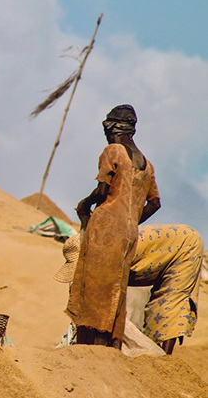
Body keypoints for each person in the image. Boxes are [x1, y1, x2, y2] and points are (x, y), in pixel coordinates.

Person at [66, 105, 160, 350]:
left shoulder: (114, 150)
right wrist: (130, 218)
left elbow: (102, 190)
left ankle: (91, 348)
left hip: (105, 229)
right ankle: (110, 346)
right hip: (129, 234)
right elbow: (155, 203)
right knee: (116, 287)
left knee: (95, 286)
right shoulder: (146, 164)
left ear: (112, 126)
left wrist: (84, 204)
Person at [57, 224, 201, 355]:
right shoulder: (101, 250)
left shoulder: (113, 253)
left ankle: (164, 360)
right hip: (157, 250)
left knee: (170, 303)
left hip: (185, 247)